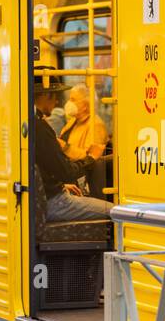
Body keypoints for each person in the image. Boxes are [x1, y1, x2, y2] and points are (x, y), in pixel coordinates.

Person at [33, 78, 111, 221]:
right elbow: (65, 171)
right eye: (54, 96)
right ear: (44, 95)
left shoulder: (95, 125)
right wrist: (90, 159)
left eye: (74, 100)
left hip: (53, 191)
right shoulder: (42, 127)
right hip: (55, 200)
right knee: (114, 211)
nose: (58, 102)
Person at [59, 84, 109, 163]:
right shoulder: (73, 121)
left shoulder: (96, 125)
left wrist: (65, 147)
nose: (68, 103)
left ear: (85, 104)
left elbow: (90, 158)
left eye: (73, 100)